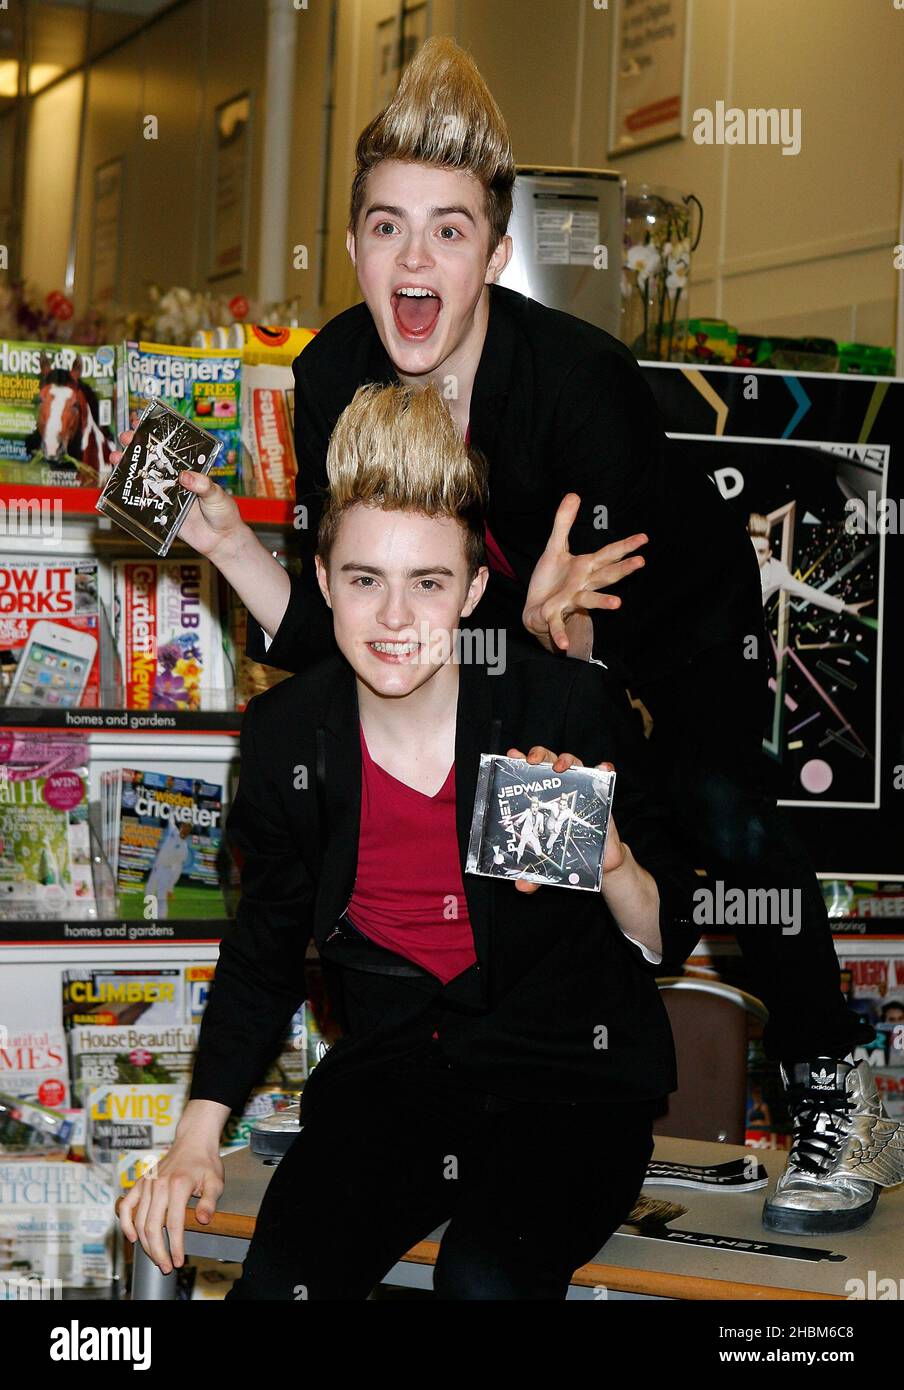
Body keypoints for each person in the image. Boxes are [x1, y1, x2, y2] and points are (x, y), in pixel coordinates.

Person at [110, 38, 898, 1233]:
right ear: (358, 243)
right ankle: (410, 1084)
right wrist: (225, 543)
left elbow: (583, 664)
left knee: (716, 813)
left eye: (447, 229)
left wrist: (541, 635)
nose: (413, 258)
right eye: (384, 227)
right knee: (427, 793)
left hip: (671, 624)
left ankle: (835, 1080)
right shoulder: (329, 378)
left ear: (492, 247)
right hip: (503, 638)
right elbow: (344, 640)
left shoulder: (580, 383)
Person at [117, 382, 703, 1300]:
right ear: (323, 582)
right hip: (395, 1079)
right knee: (280, 1285)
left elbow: (667, 937)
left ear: (473, 590)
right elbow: (267, 944)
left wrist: (616, 862)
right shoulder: (287, 737)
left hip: (568, 1082)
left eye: (427, 582)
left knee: (483, 1281)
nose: (394, 620)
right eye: (365, 581)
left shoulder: (556, 705)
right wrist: (196, 1138)